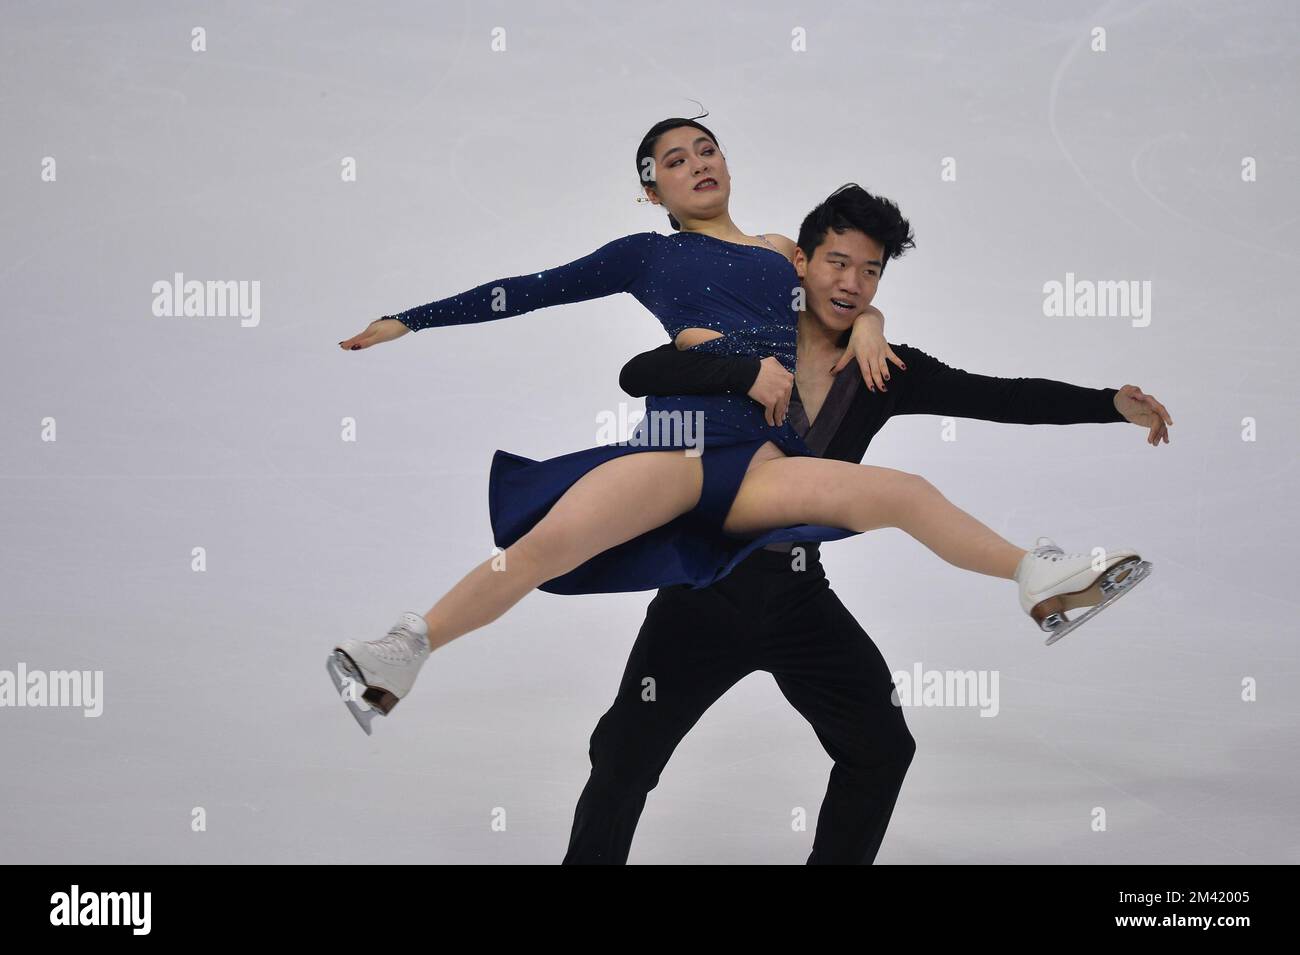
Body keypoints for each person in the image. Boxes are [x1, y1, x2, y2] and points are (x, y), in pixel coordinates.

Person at [325, 117, 1152, 734]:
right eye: (673, 162)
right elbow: (531, 287)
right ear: (652, 191)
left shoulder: (780, 248)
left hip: (761, 463)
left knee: (901, 490)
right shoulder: (646, 255)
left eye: (705, 149)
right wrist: (413, 318)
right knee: (546, 546)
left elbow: (843, 289)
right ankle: (408, 644)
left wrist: (874, 320)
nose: (696, 164)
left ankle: (1039, 578)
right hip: (681, 448)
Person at [562, 185, 1173, 864]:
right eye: (837, 262)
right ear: (800, 261)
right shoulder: (745, 336)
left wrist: (1110, 403)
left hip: (796, 597)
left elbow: (996, 395)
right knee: (621, 758)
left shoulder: (879, 372)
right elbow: (641, 369)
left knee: (882, 749)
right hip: (705, 593)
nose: (851, 284)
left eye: (870, 271)